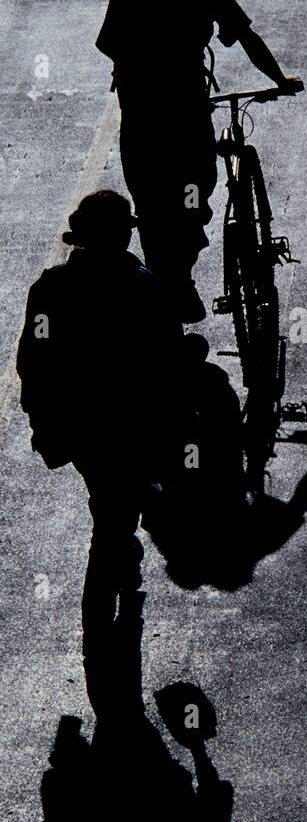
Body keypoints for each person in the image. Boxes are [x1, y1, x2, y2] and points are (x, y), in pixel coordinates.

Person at [96, 0, 303, 322]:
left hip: (142, 117)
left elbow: (108, 44)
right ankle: (181, 275)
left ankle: (164, 284)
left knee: (151, 203)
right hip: (188, 115)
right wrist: (279, 79)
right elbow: (244, 36)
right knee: (194, 195)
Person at [16, 190, 185, 688]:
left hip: (79, 430)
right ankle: (107, 603)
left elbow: (34, 359)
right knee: (112, 519)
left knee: (109, 506)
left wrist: (42, 420)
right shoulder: (146, 288)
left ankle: (119, 564)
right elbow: (170, 366)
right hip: (131, 430)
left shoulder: (50, 290)